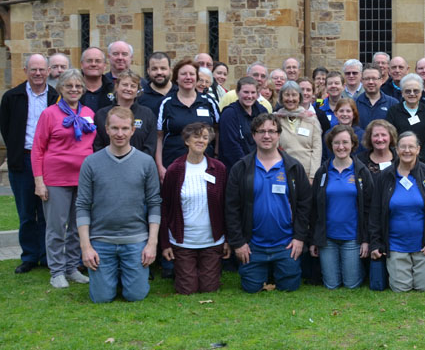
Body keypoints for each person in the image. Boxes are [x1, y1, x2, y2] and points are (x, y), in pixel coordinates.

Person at [76, 107, 161, 303]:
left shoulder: (146, 162)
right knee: (101, 298)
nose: (119, 134)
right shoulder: (91, 163)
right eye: (114, 128)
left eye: (124, 128)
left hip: (135, 241)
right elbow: (82, 205)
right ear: (106, 129)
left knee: (135, 295)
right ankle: (113, 276)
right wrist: (86, 246)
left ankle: (128, 276)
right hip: (101, 240)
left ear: (133, 130)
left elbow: (154, 203)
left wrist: (152, 243)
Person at [225, 113, 311, 293]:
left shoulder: (293, 167)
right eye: (261, 131)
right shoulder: (241, 168)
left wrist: (299, 238)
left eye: (272, 131)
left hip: (286, 244)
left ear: (279, 135)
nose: (266, 136)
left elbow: (304, 205)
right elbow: (231, 208)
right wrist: (239, 243)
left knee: (289, 287)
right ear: (253, 135)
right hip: (253, 245)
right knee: (251, 288)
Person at [32, 69, 97, 288]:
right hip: (56, 179)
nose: (74, 90)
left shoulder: (88, 112)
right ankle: (57, 271)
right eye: (69, 86)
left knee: (78, 227)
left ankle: (72, 268)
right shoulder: (49, 114)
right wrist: (39, 181)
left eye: (78, 86)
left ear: (83, 89)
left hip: (83, 180)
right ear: (60, 88)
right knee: (56, 227)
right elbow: (38, 149)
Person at [1, 53, 60, 273]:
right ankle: (28, 255)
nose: (38, 73)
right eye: (33, 69)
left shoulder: (56, 97)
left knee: (46, 211)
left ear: (48, 71)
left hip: (49, 160)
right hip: (23, 160)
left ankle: (46, 255)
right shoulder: (12, 97)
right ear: (26, 70)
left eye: (42, 69)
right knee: (26, 212)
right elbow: (6, 129)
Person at [368, 132, 425, 292]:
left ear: (418, 149)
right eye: (403, 146)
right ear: (396, 149)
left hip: (424, 246)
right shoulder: (386, 176)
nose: (407, 150)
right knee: (400, 288)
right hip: (396, 245)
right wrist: (375, 243)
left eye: (411, 146)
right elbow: (375, 213)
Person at [159, 122, 228, 294]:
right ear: (186, 140)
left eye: (205, 137)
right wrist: (165, 243)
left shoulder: (218, 169)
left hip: (212, 241)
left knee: (209, 288)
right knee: (187, 289)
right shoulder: (175, 170)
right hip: (183, 241)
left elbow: (225, 206)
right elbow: (165, 207)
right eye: (196, 136)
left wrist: (228, 239)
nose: (201, 141)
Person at [308, 125, 374, 289]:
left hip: (352, 238)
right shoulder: (322, 172)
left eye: (345, 142)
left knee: (351, 284)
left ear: (353, 144)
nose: (341, 147)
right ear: (331, 145)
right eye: (336, 143)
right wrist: (314, 240)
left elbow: (369, 209)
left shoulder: (361, 172)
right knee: (331, 284)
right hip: (328, 239)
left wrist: (366, 240)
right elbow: (314, 209)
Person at [156, 59, 220, 180]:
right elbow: (159, 136)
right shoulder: (166, 103)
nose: (188, 77)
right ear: (176, 78)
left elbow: (218, 131)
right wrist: (160, 166)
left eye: (192, 74)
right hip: (172, 163)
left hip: (205, 164)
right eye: (183, 74)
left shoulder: (209, 102)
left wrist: (216, 156)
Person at [94, 70, 157, 156]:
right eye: (125, 85)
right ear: (116, 86)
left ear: (138, 90)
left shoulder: (147, 114)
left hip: (139, 166)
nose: (128, 89)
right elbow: (98, 145)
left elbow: (150, 146)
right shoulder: (102, 114)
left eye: (133, 86)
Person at [274, 82, 322, 182]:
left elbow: (317, 150)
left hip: (306, 174)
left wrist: (313, 176)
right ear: (281, 98)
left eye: (294, 95)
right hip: (283, 173)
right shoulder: (276, 119)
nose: (290, 99)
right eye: (287, 95)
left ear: (299, 97)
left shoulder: (311, 119)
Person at [386, 73, 425, 164]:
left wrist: (419, 158)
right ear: (402, 93)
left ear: (421, 92)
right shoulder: (393, 111)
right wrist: (400, 156)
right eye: (408, 91)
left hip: (424, 162)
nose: (412, 94)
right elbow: (391, 137)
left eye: (416, 91)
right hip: (399, 161)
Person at [218, 77, 268, 168]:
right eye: (246, 92)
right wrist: (247, 167)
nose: (249, 96)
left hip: (260, 165)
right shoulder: (229, 114)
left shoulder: (262, 111)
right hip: (237, 167)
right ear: (237, 92)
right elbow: (231, 146)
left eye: (253, 92)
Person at [356, 64, 398, 129]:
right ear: (361, 81)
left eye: (374, 78)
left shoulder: (393, 103)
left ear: (381, 81)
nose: (370, 82)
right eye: (367, 79)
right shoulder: (354, 103)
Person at [79, 47, 116, 112]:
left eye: (98, 61)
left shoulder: (114, 90)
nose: (93, 64)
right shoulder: (71, 89)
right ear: (81, 65)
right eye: (89, 61)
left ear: (105, 66)